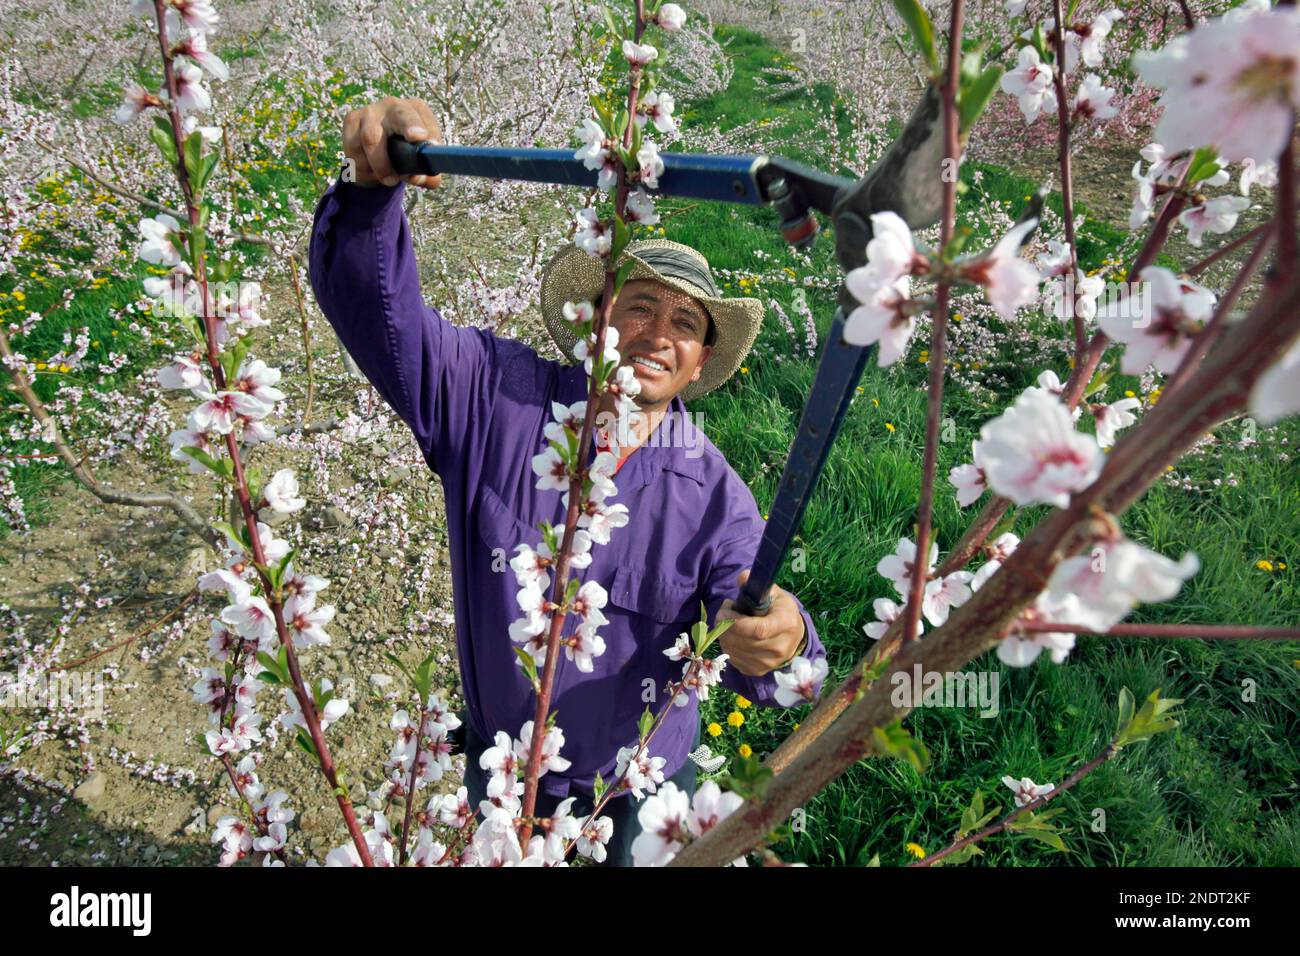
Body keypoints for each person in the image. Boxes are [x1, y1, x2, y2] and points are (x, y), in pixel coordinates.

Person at [308, 97, 828, 866]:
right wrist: (372, 191)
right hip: (503, 774)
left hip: (636, 787)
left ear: (699, 359)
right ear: (595, 321)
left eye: (686, 324)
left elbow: (773, 627)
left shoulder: (716, 495)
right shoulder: (493, 396)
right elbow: (381, 321)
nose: (659, 334)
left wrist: (781, 639)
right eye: (640, 307)